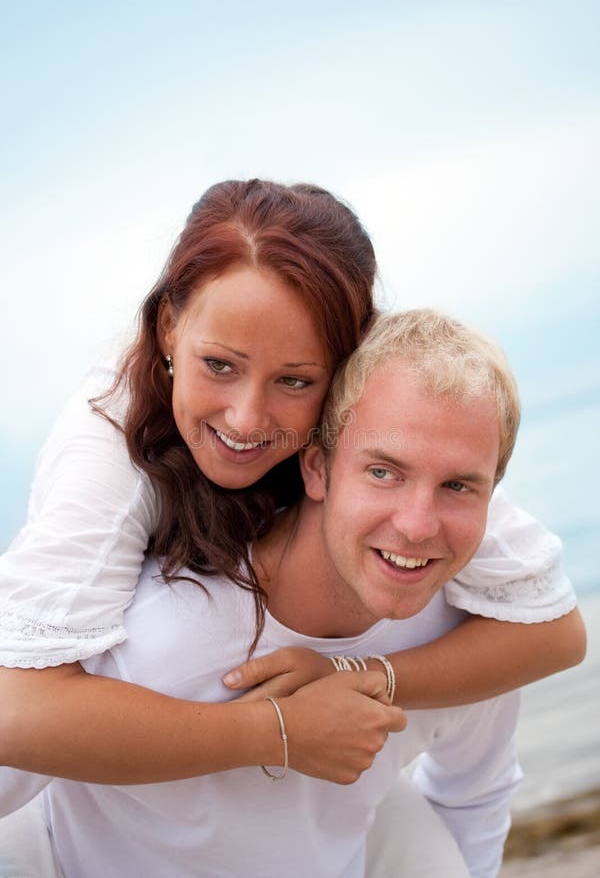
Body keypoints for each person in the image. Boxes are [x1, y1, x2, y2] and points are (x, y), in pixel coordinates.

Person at [0, 180, 584, 794]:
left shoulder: (373, 416)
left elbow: (553, 630)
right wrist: (279, 731)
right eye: (219, 365)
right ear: (170, 327)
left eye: (295, 381)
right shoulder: (108, 448)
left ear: (342, 366)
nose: (246, 419)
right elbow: (15, 712)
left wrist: (358, 672)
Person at [1, 309, 575, 878]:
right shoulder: (159, 628)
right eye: (383, 472)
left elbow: (475, 795)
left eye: (458, 486)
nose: (419, 525)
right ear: (318, 468)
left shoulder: (464, 642)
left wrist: (363, 671)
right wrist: (275, 731)